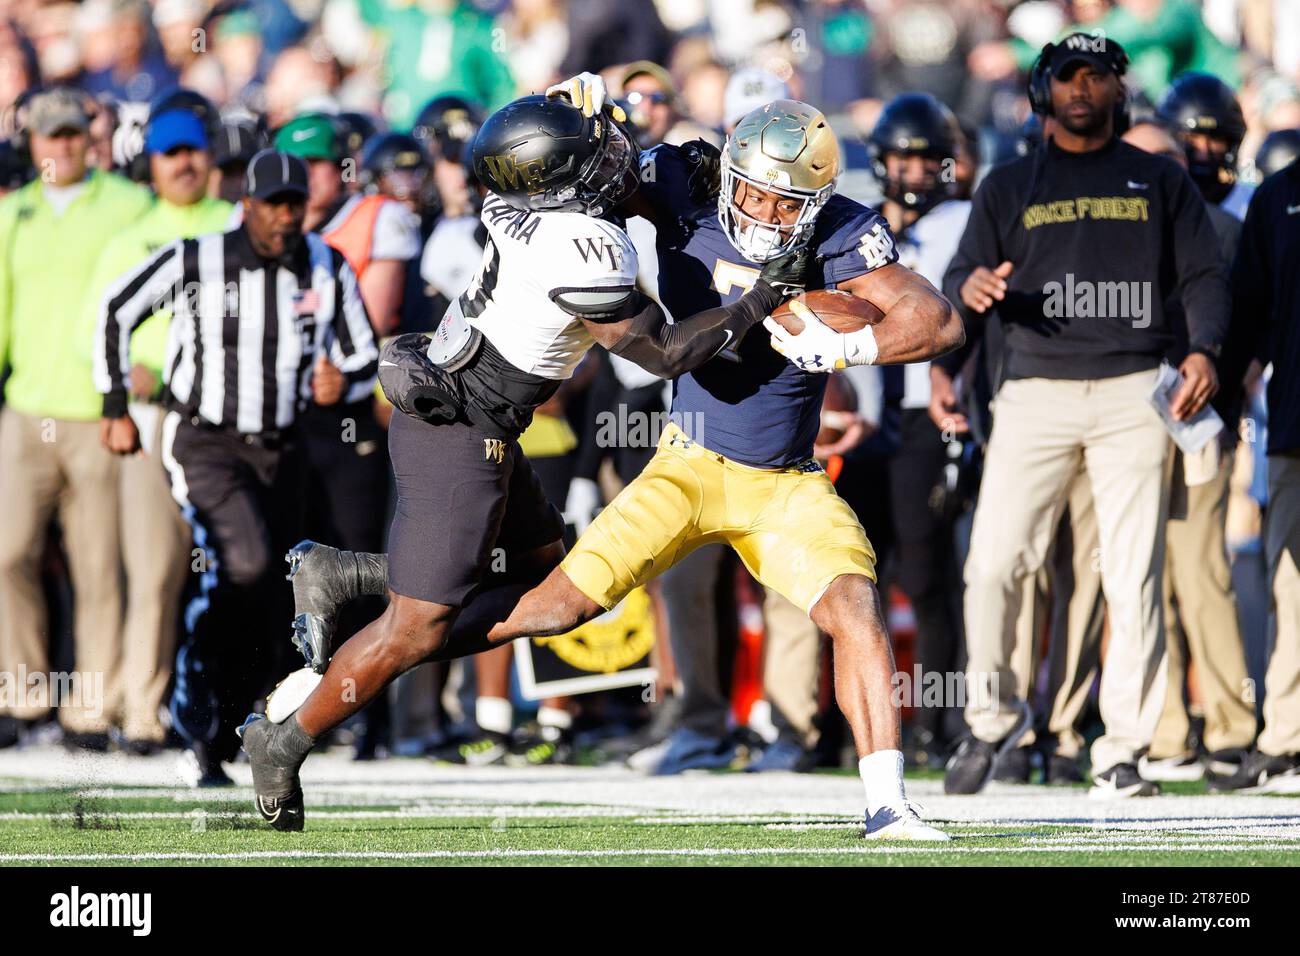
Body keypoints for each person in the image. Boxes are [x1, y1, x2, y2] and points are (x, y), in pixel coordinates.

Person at [276, 89, 964, 841]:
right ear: (727, 170)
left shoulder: (838, 228)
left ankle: (887, 805)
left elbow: (936, 315)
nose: (766, 215)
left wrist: (845, 346)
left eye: (785, 203)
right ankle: (367, 645)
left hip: (785, 480)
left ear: (818, 199)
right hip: (687, 460)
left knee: (855, 608)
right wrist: (582, 109)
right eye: (754, 194)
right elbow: (580, 169)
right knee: (549, 605)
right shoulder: (674, 182)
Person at [936, 35, 1231, 798]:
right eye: (1066, 78)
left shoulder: (1161, 178)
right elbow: (960, 273)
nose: (1079, 90)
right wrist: (967, 295)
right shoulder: (1006, 184)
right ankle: (989, 722)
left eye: (1094, 78)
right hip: (1033, 392)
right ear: (1041, 94)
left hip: (1136, 390)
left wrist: (1205, 351)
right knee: (993, 564)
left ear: (1117, 92)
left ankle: (1122, 749)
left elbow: (1203, 273)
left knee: (1132, 577)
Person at [94, 148, 379, 785]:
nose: (284, 218)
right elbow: (118, 308)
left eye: (294, 205)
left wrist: (343, 380)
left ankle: (234, 725)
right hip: (205, 439)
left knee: (273, 586)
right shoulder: (199, 257)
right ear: (245, 205)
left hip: (284, 447)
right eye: (272, 205)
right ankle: (196, 715)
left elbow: (363, 355)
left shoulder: (325, 263)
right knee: (242, 560)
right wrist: (114, 403)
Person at [0, 86, 151, 750]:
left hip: (96, 412)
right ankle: (23, 695)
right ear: (30, 142)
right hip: (27, 407)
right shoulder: (15, 214)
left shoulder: (130, 205)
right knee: (8, 555)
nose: (60, 147)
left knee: (97, 568)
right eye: (48, 136)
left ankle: (90, 708)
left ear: (87, 138)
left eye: (70, 135)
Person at [83, 105, 233, 754]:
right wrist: (130, 378)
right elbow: (97, 325)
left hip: (226, 418)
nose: (184, 163)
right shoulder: (131, 236)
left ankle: (204, 703)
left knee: (226, 569)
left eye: (193, 151)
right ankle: (141, 709)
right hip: (155, 418)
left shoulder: (233, 227)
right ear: (154, 164)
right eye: (171, 154)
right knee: (153, 568)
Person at [866, 92, 973, 767]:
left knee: (926, 570)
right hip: (865, 417)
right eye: (901, 157)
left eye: (923, 158)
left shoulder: (962, 222)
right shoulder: (861, 224)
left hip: (925, 413)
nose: (910, 170)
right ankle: (855, 722)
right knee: (858, 571)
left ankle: (940, 719)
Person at [1210, 151, 1300, 792]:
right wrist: (1226, 398)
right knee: (1291, 588)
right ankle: (1287, 739)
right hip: (1296, 425)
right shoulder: (1278, 198)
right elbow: (1250, 310)